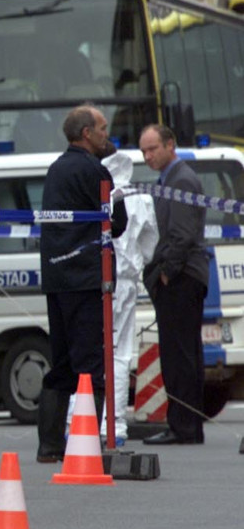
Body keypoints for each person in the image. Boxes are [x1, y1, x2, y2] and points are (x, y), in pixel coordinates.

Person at [36, 105, 127, 463]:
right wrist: (118, 193)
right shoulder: (95, 170)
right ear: (86, 133)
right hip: (88, 278)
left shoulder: (56, 168)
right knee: (92, 364)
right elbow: (116, 223)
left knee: (61, 363)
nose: (108, 134)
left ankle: (49, 446)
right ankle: (88, 444)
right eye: (102, 128)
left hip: (56, 279)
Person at [65, 149, 157, 444]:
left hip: (96, 279)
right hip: (126, 283)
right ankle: (114, 425)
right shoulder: (140, 198)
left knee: (88, 351)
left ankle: (76, 421)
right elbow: (150, 245)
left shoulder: (93, 195)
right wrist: (137, 261)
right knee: (120, 353)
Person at [138, 124, 209, 445]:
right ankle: (186, 425)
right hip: (181, 276)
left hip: (181, 278)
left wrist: (166, 272)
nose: (147, 156)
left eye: (153, 148)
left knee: (179, 355)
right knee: (181, 353)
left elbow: (182, 234)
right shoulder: (169, 179)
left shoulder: (181, 179)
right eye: (144, 150)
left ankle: (184, 426)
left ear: (171, 145)